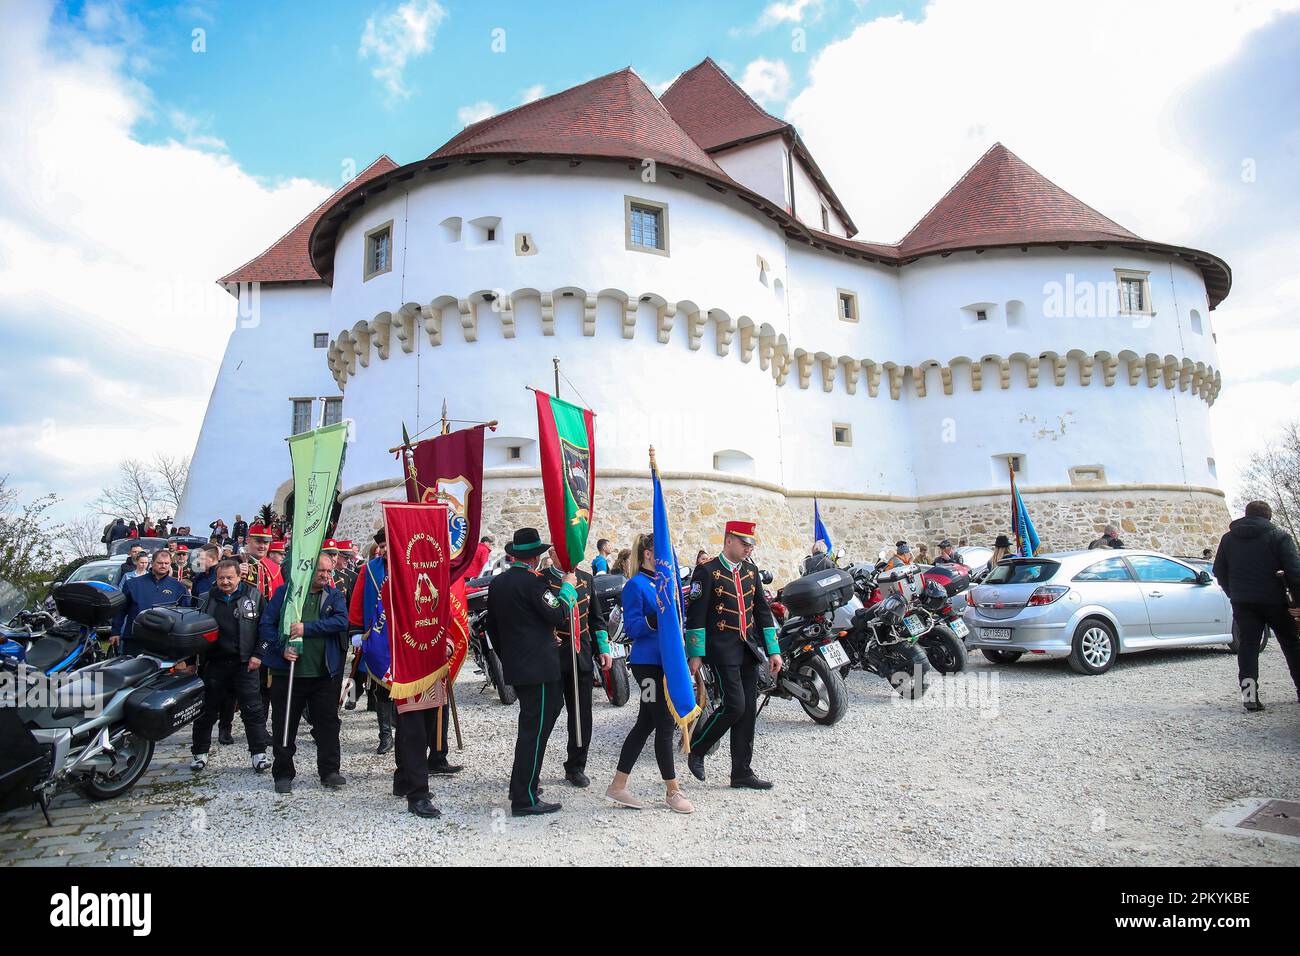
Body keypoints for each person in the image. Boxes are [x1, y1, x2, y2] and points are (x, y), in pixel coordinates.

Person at [485, 528, 577, 816]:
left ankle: (523, 784)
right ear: (536, 557)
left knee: (538, 723)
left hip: (521, 666)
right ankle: (524, 798)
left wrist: (510, 656)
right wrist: (568, 588)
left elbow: (494, 627)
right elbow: (558, 613)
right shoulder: (534, 583)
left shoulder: (498, 583)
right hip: (538, 668)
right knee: (533, 733)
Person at [684, 520, 780, 790]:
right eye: (744, 543)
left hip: (747, 649)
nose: (749, 548)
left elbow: (762, 612)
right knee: (734, 705)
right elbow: (696, 615)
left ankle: (741, 772)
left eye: (751, 544)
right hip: (721, 648)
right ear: (729, 541)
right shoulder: (707, 571)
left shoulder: (751, 570)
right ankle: (698, 749)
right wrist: (696, 653)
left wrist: (773, 650)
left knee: (748, 710)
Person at [606, 532, 692, 814]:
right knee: (664, 723)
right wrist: (656, 618)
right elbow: (631, 628)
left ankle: (618, 786)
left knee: (646, 723)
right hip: (647, 667)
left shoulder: (666, 584)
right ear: (647, 553)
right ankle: (672, 791)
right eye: (661, 551)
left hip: (667, 663)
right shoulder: (635, 586)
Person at [258, 554, 350, 793]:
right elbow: (267, 625)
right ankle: (283, 773)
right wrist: (281, 650)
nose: (326, 576)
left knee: (328, 724)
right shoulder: (285, 594)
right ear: (309, 571)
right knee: (284, 724)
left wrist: (306, 628)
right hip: (288, 674)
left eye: (329, 572)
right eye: (321, 571)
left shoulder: (333, 595)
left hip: (323, 673)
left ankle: (330, 770)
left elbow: (341, 621)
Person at [1212, 500, 1300, 710]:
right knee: (1291, 646)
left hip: (1243, 602)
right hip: (1276, 601)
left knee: (1249, 647)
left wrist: (1233, 592)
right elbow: (1295, 573)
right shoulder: (1279, 536)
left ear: (1246, 514)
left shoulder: (1228, 539)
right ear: (1268, 516)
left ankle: (1250, 697)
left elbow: (1219, 570)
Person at [190, 560, 272, 772]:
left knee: (253, 711)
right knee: (205, 711)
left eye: (229, 578)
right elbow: (193, 633)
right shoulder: (206, 599)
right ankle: (200, 753)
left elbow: (266, 628)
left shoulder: (254, 596)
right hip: (215, 664)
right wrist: (192, 661)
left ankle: (259, 754)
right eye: (221, 578)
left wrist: (258, 654)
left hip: (246, 664)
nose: (225, 582)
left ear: (239, 577)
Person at [543, 545, 611, 789]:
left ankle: (576, 766)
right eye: (559, 551)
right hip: (552, 659)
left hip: (580, 656)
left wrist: (603, 648)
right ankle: (533, 766)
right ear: (551, 555)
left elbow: (596, 618)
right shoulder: (541, 580)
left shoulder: (587, 579)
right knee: (546, 715)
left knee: (582, 716)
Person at [348, 529, 395, 754]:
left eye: (389, 544)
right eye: (382, 546)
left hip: (401, 637)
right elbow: (357, 601)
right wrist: (356, 631)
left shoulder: (408, 566)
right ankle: (385, 735)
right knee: (379, 686)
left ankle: (402, 728)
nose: (385, 549)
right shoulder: (368, 570)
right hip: (375, 636)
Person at [110, 549, 189, 654]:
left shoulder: (178, 587)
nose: (163, 566)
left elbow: (185, 614)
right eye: (160, 563)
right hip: (134, 639)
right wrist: (115, 632)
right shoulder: (132, 584)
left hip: (164, 640)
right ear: (152, 563)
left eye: (166, 563)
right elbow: (121, 610)